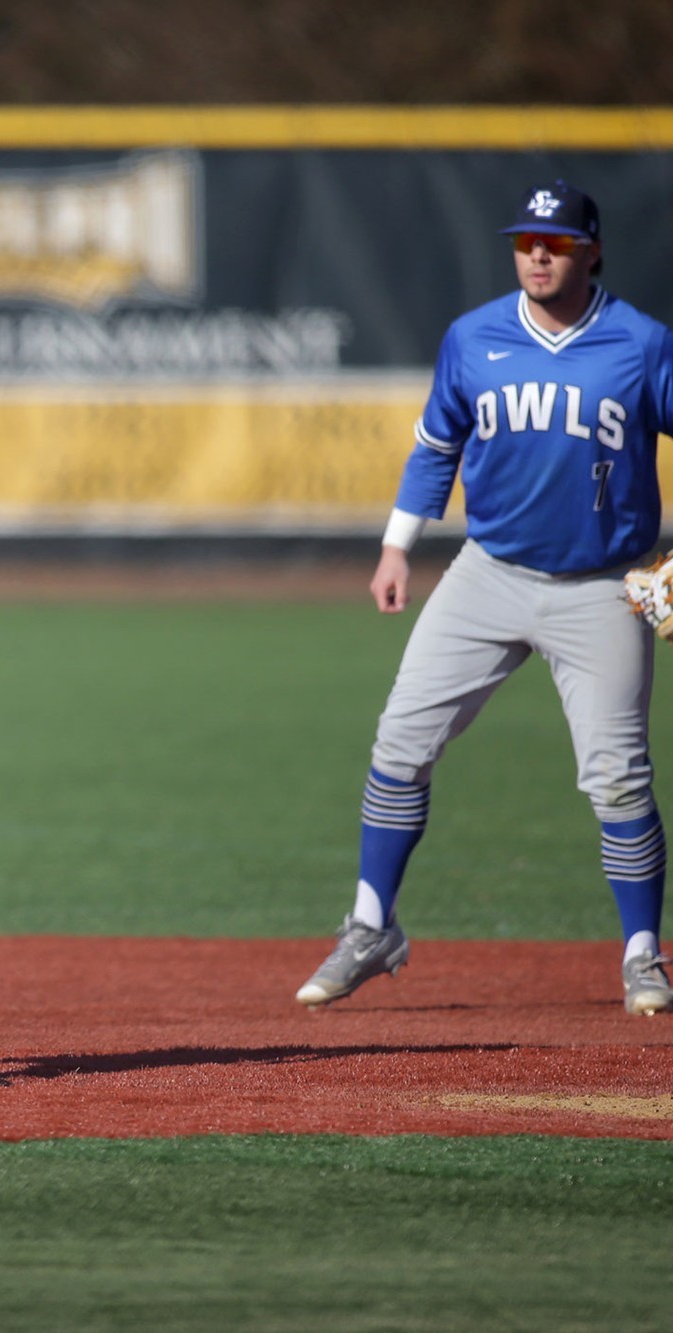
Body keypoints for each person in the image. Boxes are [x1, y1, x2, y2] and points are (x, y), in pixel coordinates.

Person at [296, 181, 673, 1017]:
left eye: (558, 243)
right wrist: (397, 546)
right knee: (400, 739)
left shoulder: (640, 345)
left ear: (593, 250)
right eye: (527, 241)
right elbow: (436, 445)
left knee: (616, 779)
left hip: (604, 588)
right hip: (487, 572)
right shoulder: (475, 337)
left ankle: (644, 952)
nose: (539, 255)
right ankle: (370, 925)